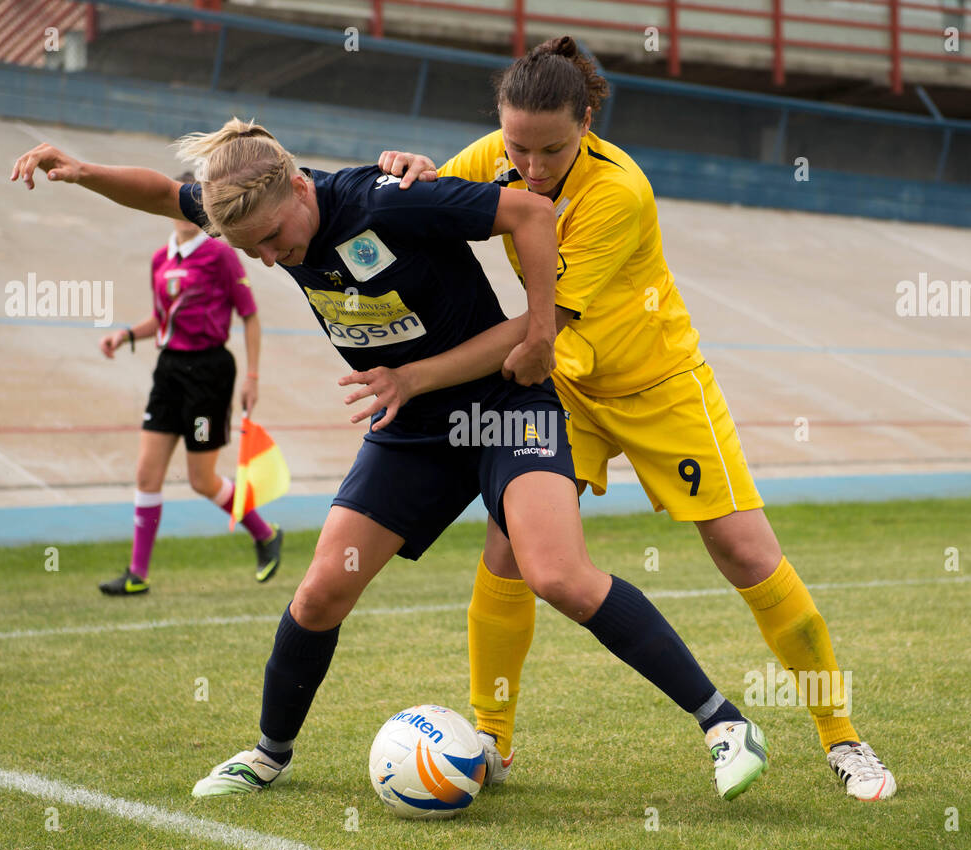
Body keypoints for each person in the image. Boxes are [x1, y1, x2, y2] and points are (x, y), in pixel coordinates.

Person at [9, 117, 771, 801]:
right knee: (316, 596)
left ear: (302, 188)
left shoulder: (385, 201)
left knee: (556, 575)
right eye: (253, 252)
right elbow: (164, 194)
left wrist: (540, 327)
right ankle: (269, 753)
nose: (273, 259)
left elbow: (533, 212)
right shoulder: (255, 215)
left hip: (504, 407)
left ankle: (724, 724)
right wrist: (81, 170)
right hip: (410, 426)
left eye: (276, 238)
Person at [378, 36, 896, 800]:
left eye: (551, 149)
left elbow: (539, 331)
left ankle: (843, 738)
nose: (530, 166)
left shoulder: (621, 192)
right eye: (517, 146)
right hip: (568, 391)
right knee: (509, 546)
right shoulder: (500, 150)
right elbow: (429, 207)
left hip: (657, 384)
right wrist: (411, 173)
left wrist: (439, 371)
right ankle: (492, 740)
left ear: (586, 122)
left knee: (745, 553)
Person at [95, 171, 282, 595]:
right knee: (147, 474)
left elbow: (250, 315)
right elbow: (164, 318)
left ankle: (265, 534)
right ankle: (138, 574)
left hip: (210, 374)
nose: (186, 214)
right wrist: (124, 335)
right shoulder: (160, 259)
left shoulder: (221, 255)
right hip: (169, 371)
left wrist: (252, 376)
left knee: (202, 480)